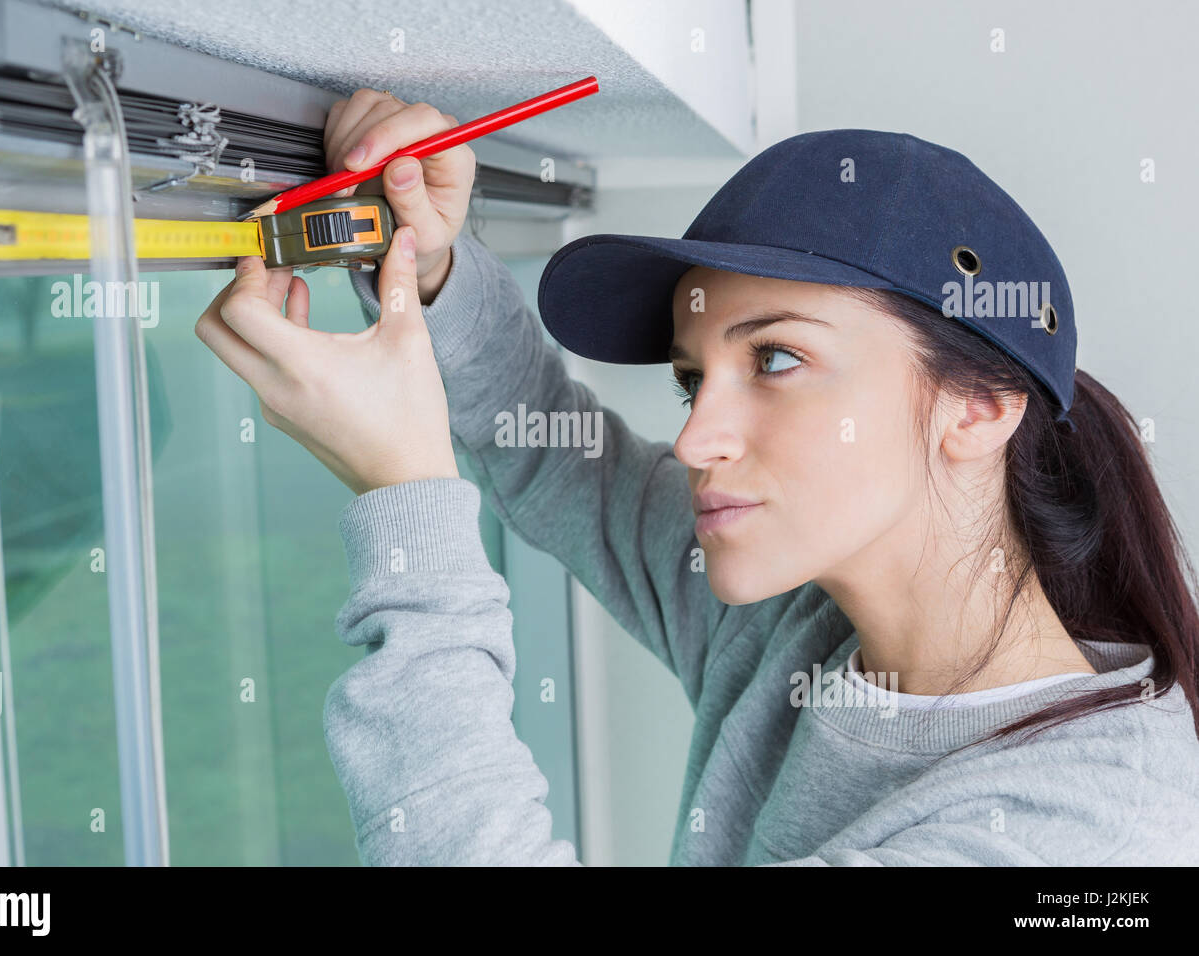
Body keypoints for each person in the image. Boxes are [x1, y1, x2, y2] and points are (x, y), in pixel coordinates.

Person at [195, 89, 1199, 865]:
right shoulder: (796, 629)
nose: (695, 438)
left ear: (978, 408)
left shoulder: (1087, 834)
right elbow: (552, 456)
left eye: (773, 360)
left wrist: (403, 497)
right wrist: (422, 261)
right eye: (690, 381)